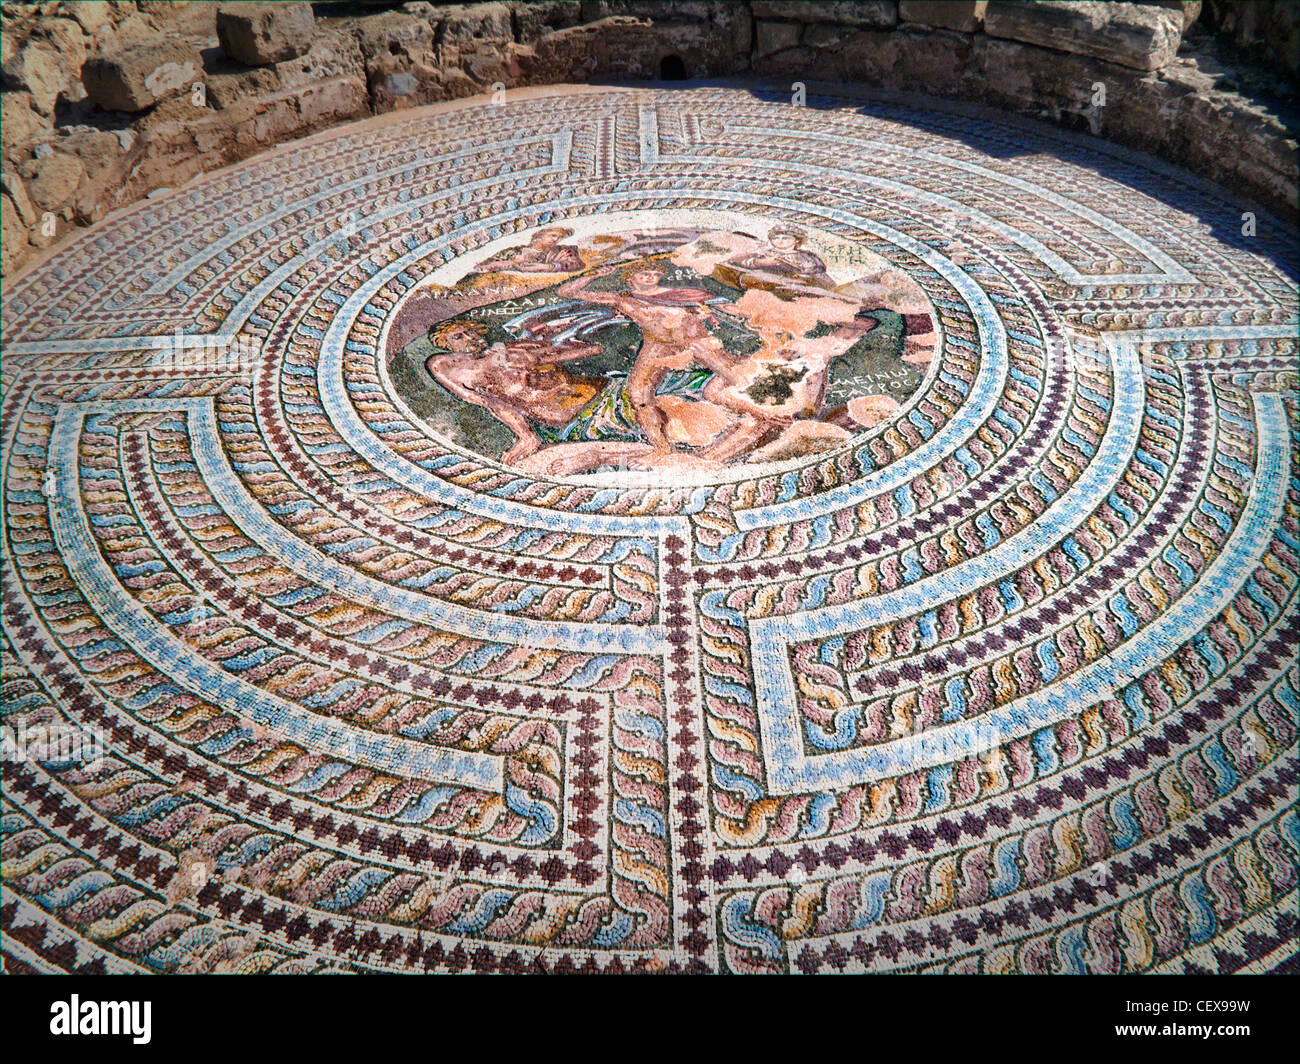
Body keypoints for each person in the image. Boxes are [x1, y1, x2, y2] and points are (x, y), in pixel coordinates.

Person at [557, 262, 740, 449]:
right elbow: (567, 293)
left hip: (694, 342)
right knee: (639, 397)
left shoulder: (683, 294)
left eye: (655, 273)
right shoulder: (624, 299)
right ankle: (663, 448)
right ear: (630, 278)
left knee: (735, 376)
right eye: (645, 273)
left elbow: (725, 306)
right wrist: (594, 274)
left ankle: (755, 411)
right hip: (657, 345)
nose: (651, 277)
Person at [424, 321, 603, 463]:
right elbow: (481, 400)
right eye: (458, 337)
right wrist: (526, 435)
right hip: (555, 411)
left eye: (470, 332)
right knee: (492, 399)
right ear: (445, 345)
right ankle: (529, 438)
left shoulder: (507, 349)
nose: (468, 338)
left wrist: (589, 350)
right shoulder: (446, 365)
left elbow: (551, 353)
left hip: (587, 391)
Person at [474, 227, 585, 274]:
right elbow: (486, 265)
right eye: (553, 235)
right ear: (540, 235)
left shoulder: (564, 250)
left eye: (560, 237)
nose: (556, 239)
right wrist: (515, 262)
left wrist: (548, 266)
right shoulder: (514, 252)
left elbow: (577, 264)